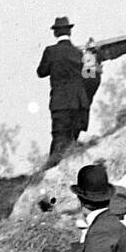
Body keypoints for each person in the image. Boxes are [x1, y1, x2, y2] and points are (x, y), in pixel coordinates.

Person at [37, 16, 98, 165]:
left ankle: (50, 173)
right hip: (80, 105)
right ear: (69, 32)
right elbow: (91, 78)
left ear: (55, 33)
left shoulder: (51, 52)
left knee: (59, 141)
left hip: (61, 104)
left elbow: (41, 72)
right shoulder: (81, 54)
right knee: (73, 142)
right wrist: (91, 55)